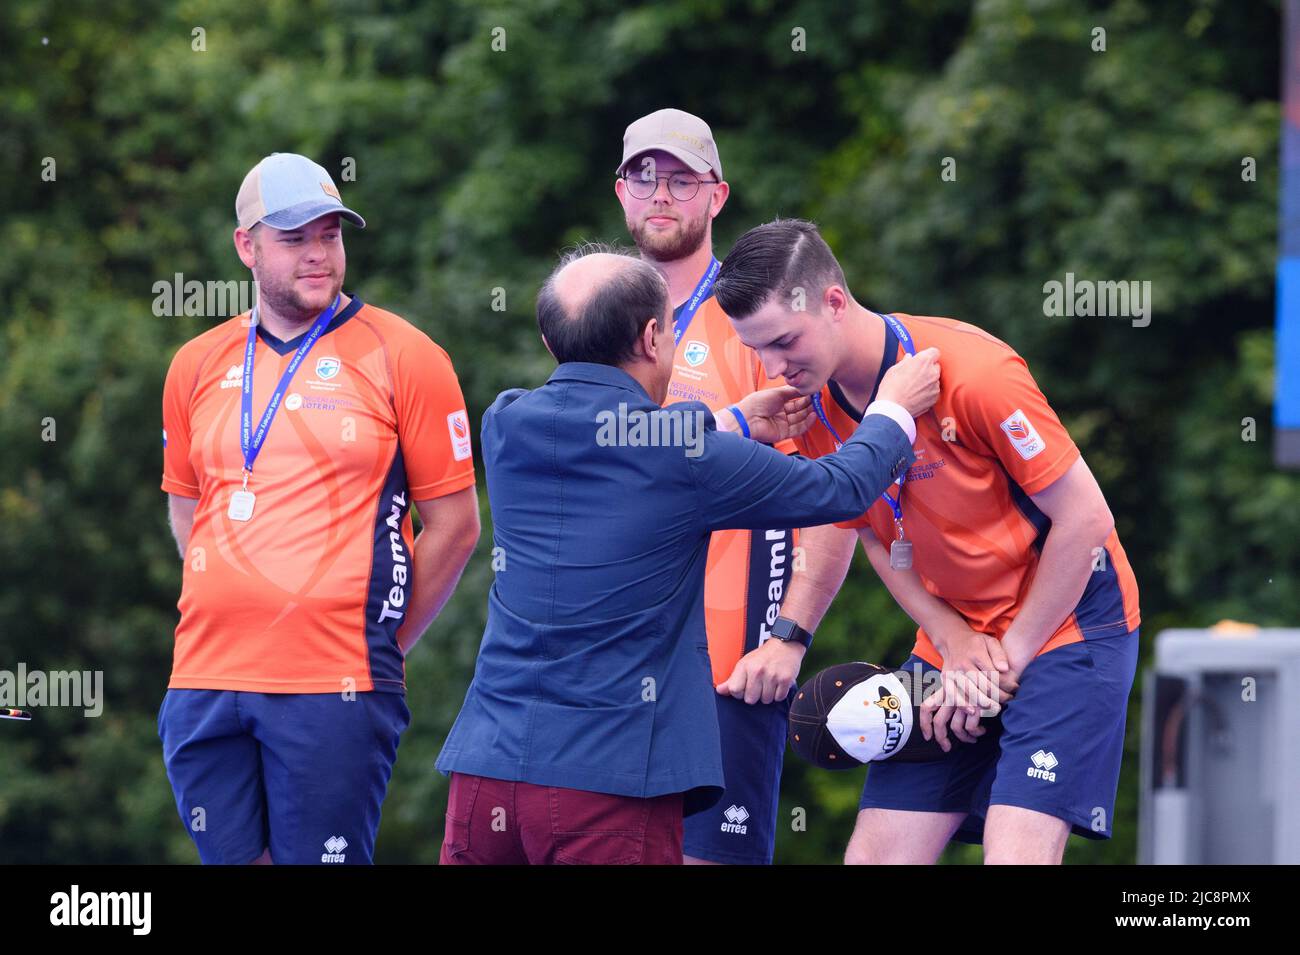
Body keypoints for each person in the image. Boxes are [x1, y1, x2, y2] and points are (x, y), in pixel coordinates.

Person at [435, 246, 940, 864]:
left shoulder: (507, 423)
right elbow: (840, 489)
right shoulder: (687, 462)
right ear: (652, 338)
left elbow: (615, 435)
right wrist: (892, 410)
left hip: (486, 773)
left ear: (548, 339)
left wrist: (726, 422)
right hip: (608, 783)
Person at [713, 219, 1141, 865]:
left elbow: (1086, 519)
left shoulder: (974, 371)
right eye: (757, 349)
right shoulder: (806, 406)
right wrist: (954, 641)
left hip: (1065, 625)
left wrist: (1003, 663)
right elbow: (878, 537)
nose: (774, 368)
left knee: (1017, 851)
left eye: (783, 341)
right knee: (875, 856)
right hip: (957, 644)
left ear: (831, 301)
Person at [158, 152, 480, 864]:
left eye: (330, 235)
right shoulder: (195, 363)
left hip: (335, 680)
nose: (318, 254)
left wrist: (380, 643)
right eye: (295, 237)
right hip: (204, 676)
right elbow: (189, 507)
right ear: (246, 246)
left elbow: (456, 527)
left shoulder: (407, 355)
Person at [614, 107, 858, 865]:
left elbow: (835, 493)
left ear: (716, 196)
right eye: (644, 175)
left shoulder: (759, 319)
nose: (661, 193)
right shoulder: (602, 315)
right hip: (613, 666)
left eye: (681, 178)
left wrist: (788, 636)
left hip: (727, 667)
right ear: (620, 191)